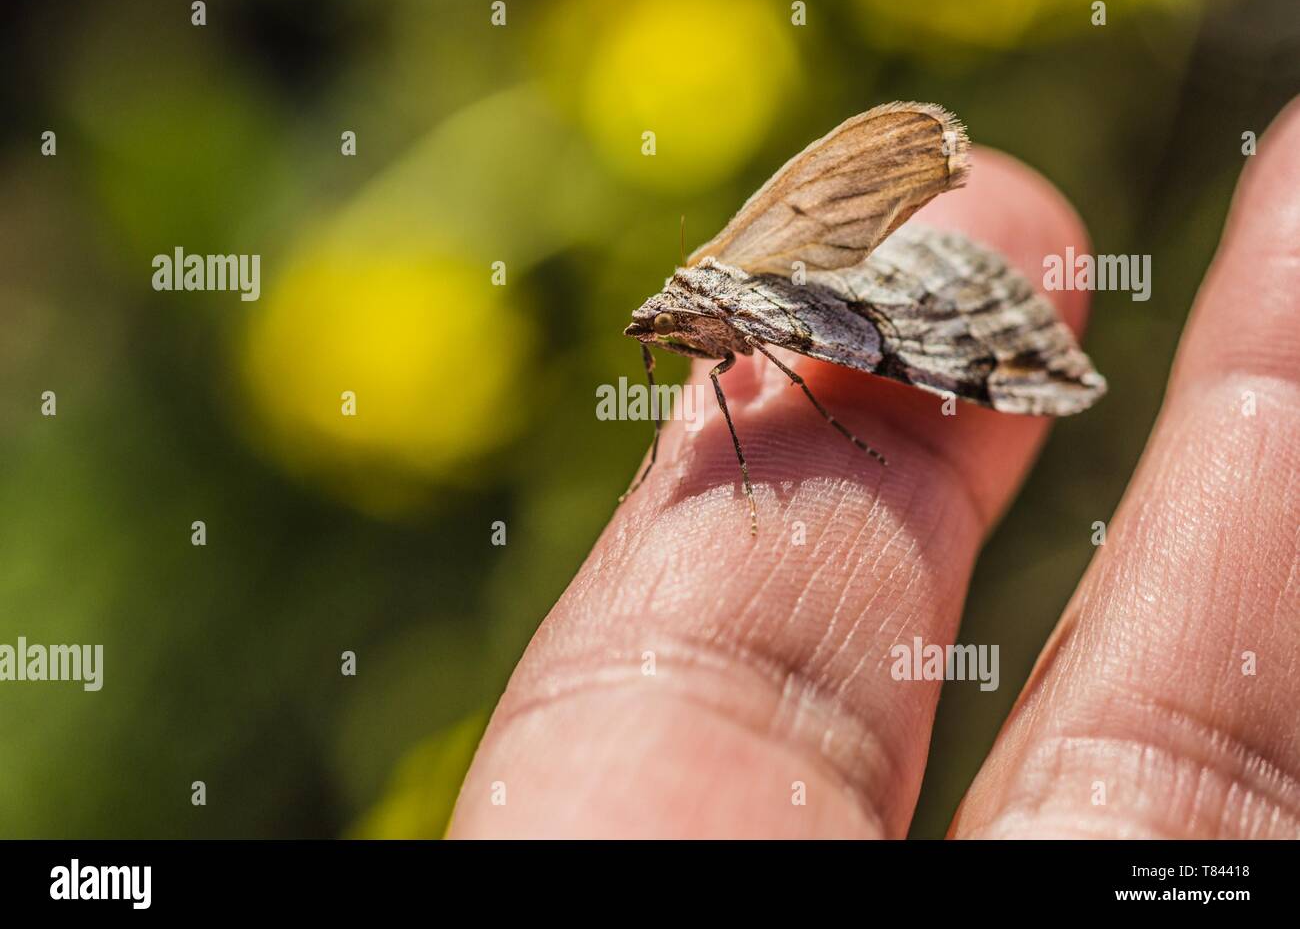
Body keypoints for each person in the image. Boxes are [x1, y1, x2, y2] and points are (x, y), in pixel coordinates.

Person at [451, 99, 1300, 839]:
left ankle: (1010, 358)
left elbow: (770, 361)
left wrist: (814, 413)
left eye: (663, 329)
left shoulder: (731, 298)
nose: (658, 336)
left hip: (845, 303)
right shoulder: (699, 308)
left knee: (852, 350)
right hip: (817, 281)